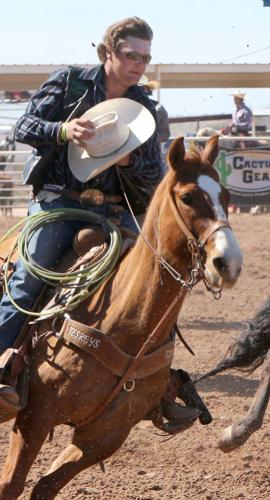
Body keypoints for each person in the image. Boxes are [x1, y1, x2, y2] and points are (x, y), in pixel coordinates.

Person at [0, 17, 163, 411]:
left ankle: (161, 382)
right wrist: (63, 131)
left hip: (112, 211)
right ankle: (1, 360)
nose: (138, 65)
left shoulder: (147, 107)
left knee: (154, 283)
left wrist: (126, 163)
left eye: (145, 57)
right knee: (30, 278)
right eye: (131, 55)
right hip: (59, 202)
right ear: (108, 52)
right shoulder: (70, 82)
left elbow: (154, 177)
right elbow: (24, 125)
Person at [139, 75, 170, 143]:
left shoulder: (158, 108)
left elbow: (164, 133)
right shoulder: (122, 105)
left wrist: (149, 141)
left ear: (146, 89)